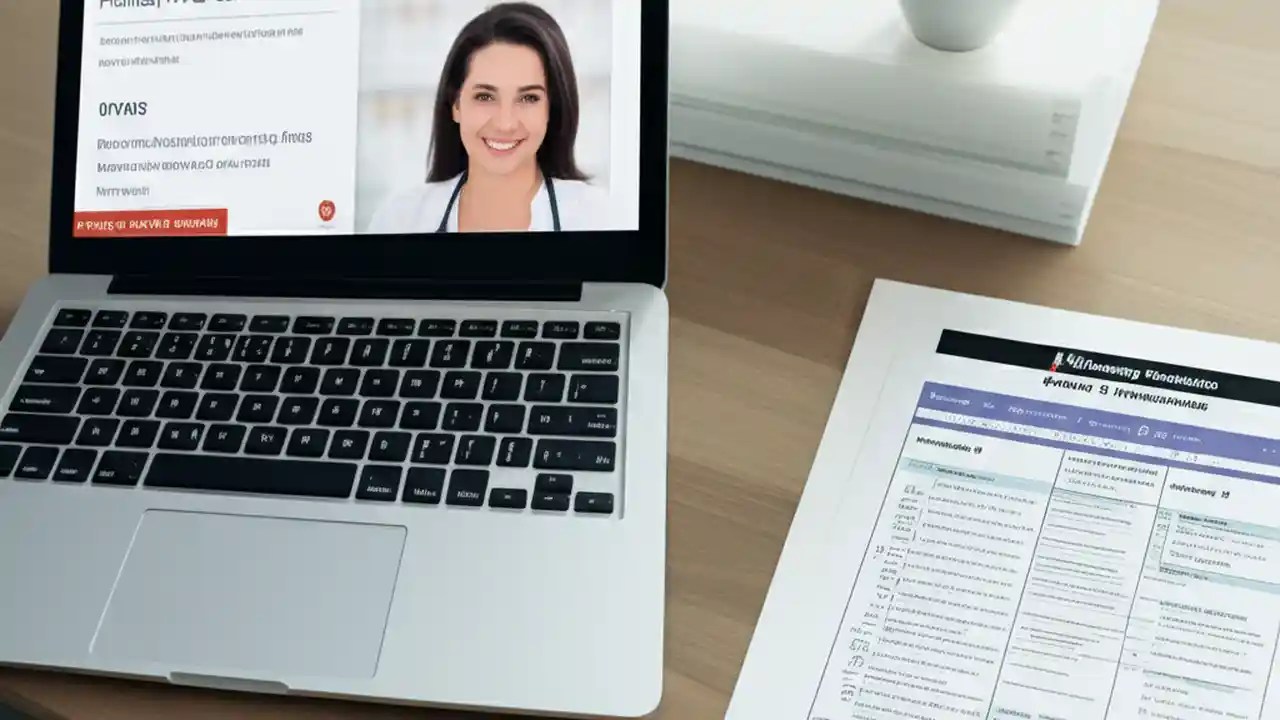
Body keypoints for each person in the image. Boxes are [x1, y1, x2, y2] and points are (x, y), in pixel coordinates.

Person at [368, 2, 611, 234]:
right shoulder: (398, 220)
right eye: (485, 97)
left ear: (552, 108)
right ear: (456, 105)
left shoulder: (597, 218)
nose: (505, 123)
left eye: (528, 98)